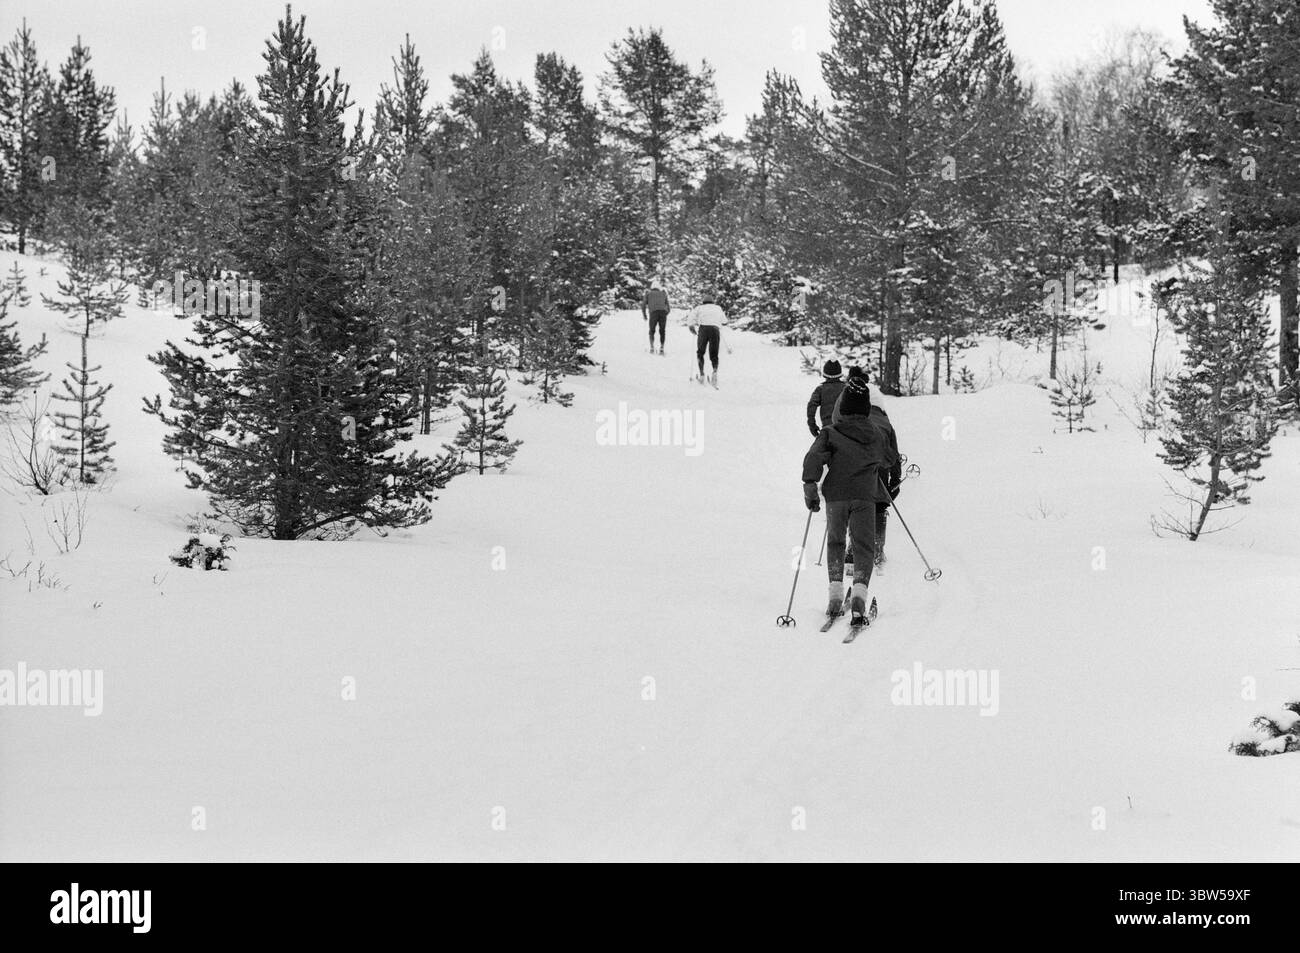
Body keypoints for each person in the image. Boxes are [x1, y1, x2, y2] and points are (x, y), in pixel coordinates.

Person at [801, 371, 892, 624]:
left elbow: (814, 457)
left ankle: (835, 594)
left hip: (836, 497)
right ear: (865, 409)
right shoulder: (875, 434)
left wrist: (810, 484)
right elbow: (888, 458)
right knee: (863, 546)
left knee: (836, 542)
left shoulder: (830, 432)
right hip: (864, 496)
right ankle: (860, 594)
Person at [830, 368, 901, 571]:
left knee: (857, 506)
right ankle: (876, 551)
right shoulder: (885, 422)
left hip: (851, 470)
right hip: (878, 468)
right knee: (879, 507)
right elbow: (893, 456)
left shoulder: (846, 414)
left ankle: (853, 552)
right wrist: (894, 481)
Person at [686, 293, 727, 386]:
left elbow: (690, 318)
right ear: (712, 302)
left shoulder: (699, 308)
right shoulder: (718, 308)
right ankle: (715, 371)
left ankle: (701, 374)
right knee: (714, 354)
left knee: (700, 352)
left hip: (703, 330)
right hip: (715, 330)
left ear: (703, 302)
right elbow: (725, 321)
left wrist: (691, 327)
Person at [806, 360, 845, 436]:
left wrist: (812, 424)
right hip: (845, 429)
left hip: (828, 429)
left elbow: (811, 405)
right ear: (840, 374)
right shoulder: (846, 388)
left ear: (825, 374)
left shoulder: (821, 389)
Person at [642, 281, 670, 355]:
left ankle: (652, 347)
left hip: (653, 313)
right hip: (663, 313)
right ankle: (661, 348)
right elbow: (668, 307)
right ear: (658, 287)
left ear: (652, 287)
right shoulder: (663, 293)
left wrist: (644, 315)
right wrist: (665, 314)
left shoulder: (648, 294)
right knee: (662, 331)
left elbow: (643, 305)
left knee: (652, 330)